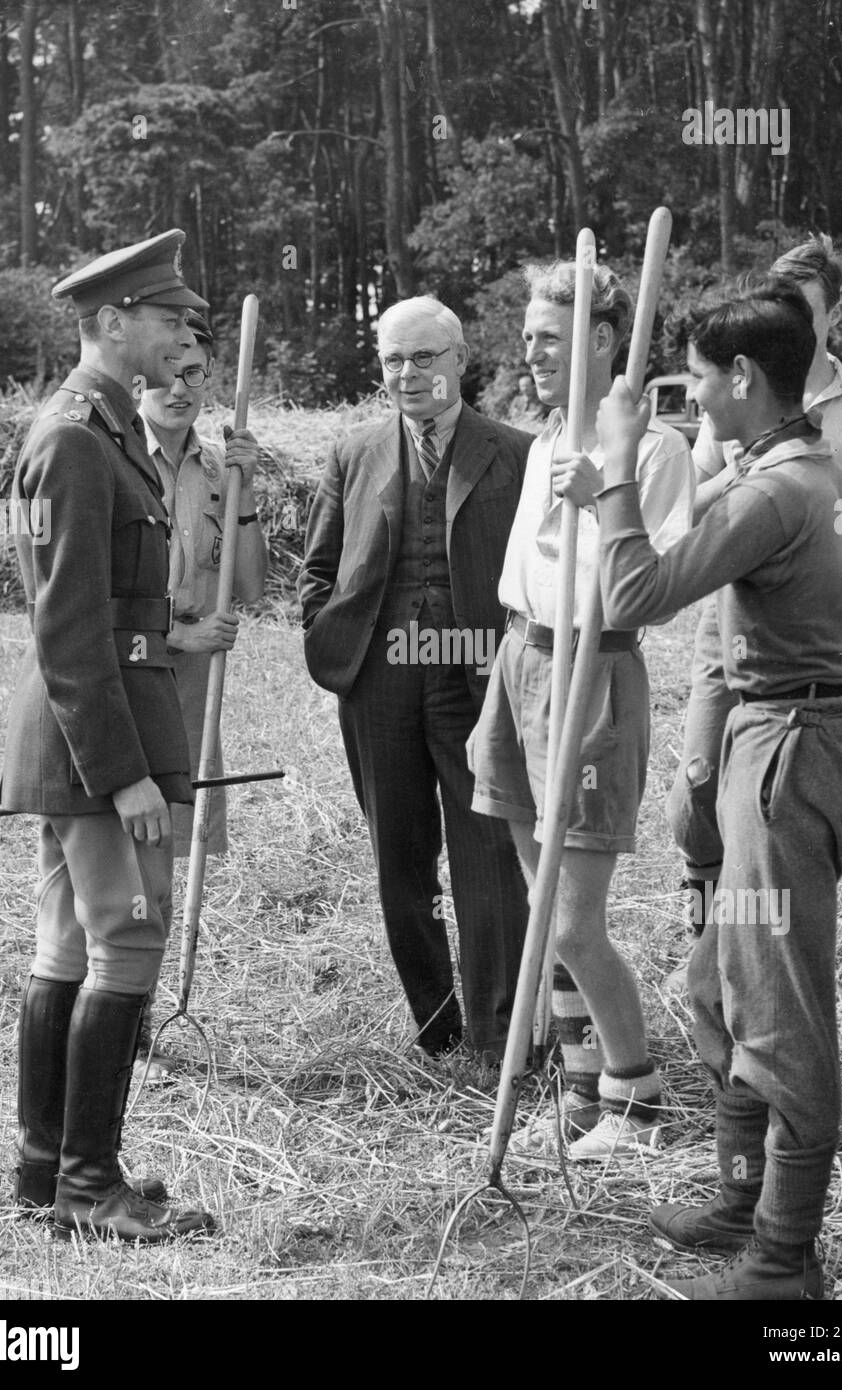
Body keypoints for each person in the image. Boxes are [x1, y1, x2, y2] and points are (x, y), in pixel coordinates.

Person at [590, 283, 842, 1299]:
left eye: (700, 377)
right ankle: (741, 1200)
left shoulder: (776, 493)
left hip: (787, 762)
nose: (693, 394)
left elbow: (634, 596)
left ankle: (783, 1258)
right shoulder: (819, 475)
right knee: (715, 987)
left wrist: (618, 467)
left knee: (782, 1016)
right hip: (803, 744)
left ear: (744, 378)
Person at [0, 229, 216, 1242]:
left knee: (70, 943)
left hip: (101, 726)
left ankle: (50, 1171)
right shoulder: (76, 438)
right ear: (111, 322)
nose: (187, 335)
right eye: (170, 319)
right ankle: (89, 1186)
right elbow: (70, 625)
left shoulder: (111, 427)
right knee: (127, 936)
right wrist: (126, 775)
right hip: (98, 738)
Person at [467, 260, 694, 1159]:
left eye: (549, 339)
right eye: (525, 338)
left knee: (571, 918)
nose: (529, 353)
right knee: (537, 899)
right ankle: (578, 1076)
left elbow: (654, 591)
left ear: (604, 341)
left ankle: (635, 1096)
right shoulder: (539, 440)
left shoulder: (655, 449)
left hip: (592, 670)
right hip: (519, 657)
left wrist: (602, 494)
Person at [299, 296, 531, 1060]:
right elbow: (319, 570)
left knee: (490, 855)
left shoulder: (517, 453)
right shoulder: (355, 450)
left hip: (476, 681)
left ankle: (500, 1038)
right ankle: (437, 1028)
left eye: (424, 357)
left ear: (461, 360)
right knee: (399, 857)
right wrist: (335, 641)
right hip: (381, 683)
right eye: (394, 358)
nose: (408, 373)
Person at [664, 235, 842, 989]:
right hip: (729, 619)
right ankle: (714, 945)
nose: (788, 315)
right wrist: (745, 481)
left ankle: (753, 968)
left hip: (814, 618)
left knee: (783, 812)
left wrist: (801, 504)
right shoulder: (735, 396)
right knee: (700, 789)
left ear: (830, 317)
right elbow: (690, 508)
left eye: (804, 307)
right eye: (779, 303)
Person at [135, 310, 268, 1083]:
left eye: (196, 375)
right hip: (134, 668)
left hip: (190, 682)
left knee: (172, 847)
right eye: (168, 371)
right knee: (126, 849)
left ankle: (142, 1020)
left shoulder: (220, 470)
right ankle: (116, 1013)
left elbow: (247, 585)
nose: (181, 388)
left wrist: (247, 494)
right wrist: (173, 632)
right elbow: (94, 593)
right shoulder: (114, 461)